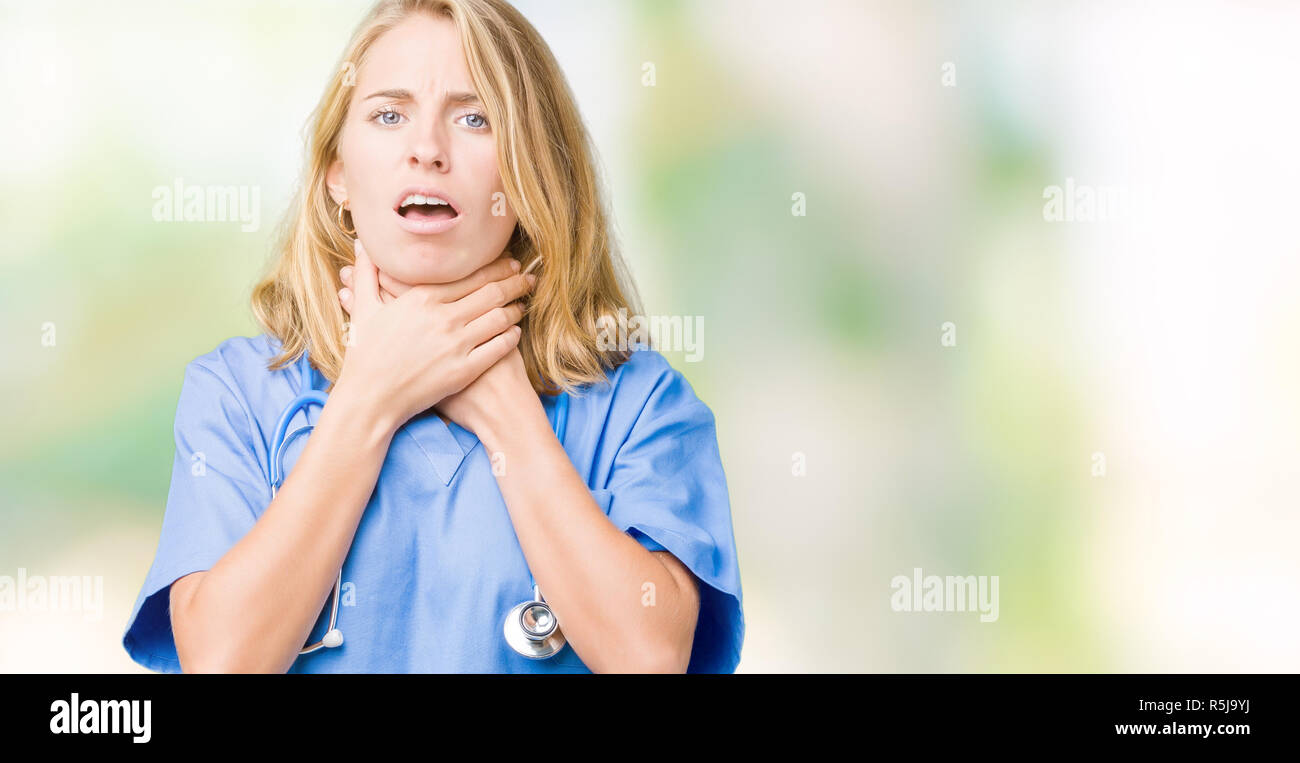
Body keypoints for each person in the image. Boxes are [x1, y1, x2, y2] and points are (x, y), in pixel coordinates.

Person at [120, 0, 743, 673]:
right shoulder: (236, 396)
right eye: (389, 114)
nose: (427, 149)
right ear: (337, 173)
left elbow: (652, 658)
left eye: (475, 118)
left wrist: (503, 406)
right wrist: (371, 397)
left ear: (532, 172)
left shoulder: (640, 405)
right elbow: (221, 661)